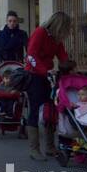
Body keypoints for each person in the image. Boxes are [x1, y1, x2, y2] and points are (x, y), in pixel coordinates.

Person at [25, 11, 73, 160]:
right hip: (34, 76)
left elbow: (62, 55)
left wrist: (70, 68)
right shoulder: (40, 33)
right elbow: (31, 56)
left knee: (51, 109)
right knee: (35, 109)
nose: (66, 33)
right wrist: (44, 71)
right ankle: (34, 149)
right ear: (59, 26)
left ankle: (50, 147)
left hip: (49, 76)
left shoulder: (56, 38)